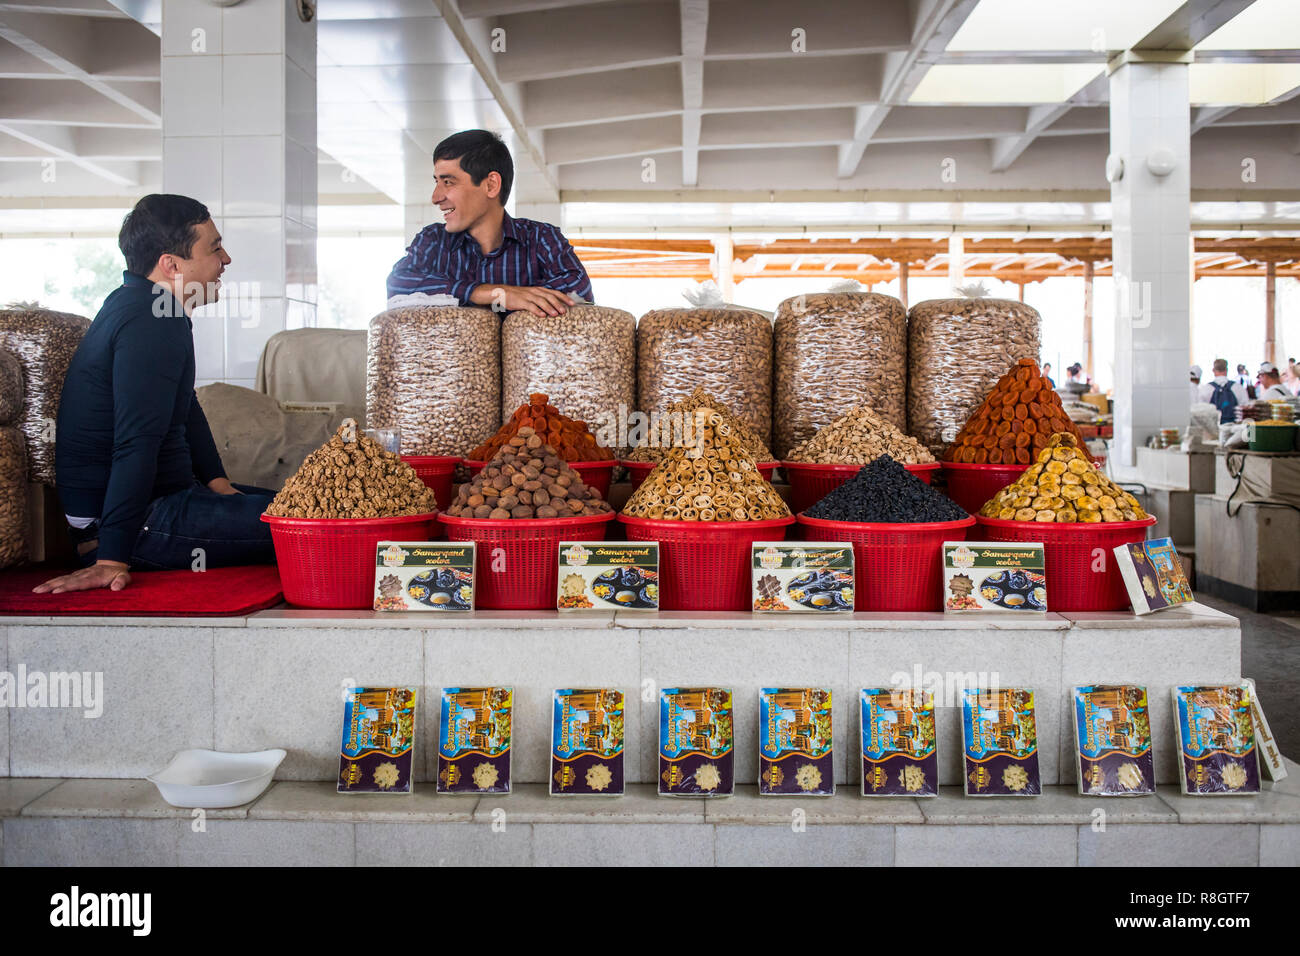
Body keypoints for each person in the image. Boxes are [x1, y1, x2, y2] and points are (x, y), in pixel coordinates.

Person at [36, 194, 276, 595]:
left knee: (307, 503)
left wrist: (218, 483)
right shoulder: (151, 320)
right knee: (328, 522)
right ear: (172, 264)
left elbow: (185, 406)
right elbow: (136, 442)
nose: (227, 259)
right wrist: (111, 556)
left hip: (157, 504)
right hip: (137, 524)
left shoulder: (142, 303)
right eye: (214, 247)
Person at [386, 129, 592, 316]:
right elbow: (399, 285)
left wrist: (518, 298)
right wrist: (491, 294)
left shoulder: (540, 238)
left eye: (448, 182)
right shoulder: (433, 241)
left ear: (491, 185)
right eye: (436, 182)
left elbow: (579, 289)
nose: (435, 197)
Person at [1196, 358, 1249, 423]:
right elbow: (1246, 409)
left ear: (1213, 370)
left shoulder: (1206, 389)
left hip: (1214, 429)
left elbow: (1201, 413)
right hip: (1234, 429)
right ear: (1226, 370)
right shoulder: (1238, 388)